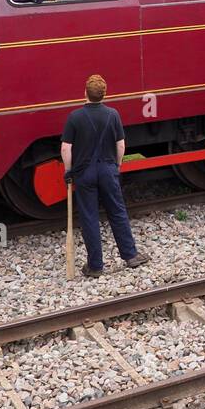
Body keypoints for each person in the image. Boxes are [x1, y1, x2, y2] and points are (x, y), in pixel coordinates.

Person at [60, 73, 148, 276]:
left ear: (85, 93)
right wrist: (116, 166)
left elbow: (66, 148)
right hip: (107, 169)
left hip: (84, 173)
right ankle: (130, 255)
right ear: (104, 94)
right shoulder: (113, 114)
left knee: (89, 217)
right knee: (117, 211)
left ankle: (95, 266)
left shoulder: (75, 117)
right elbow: (121, 145)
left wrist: (68, 170)